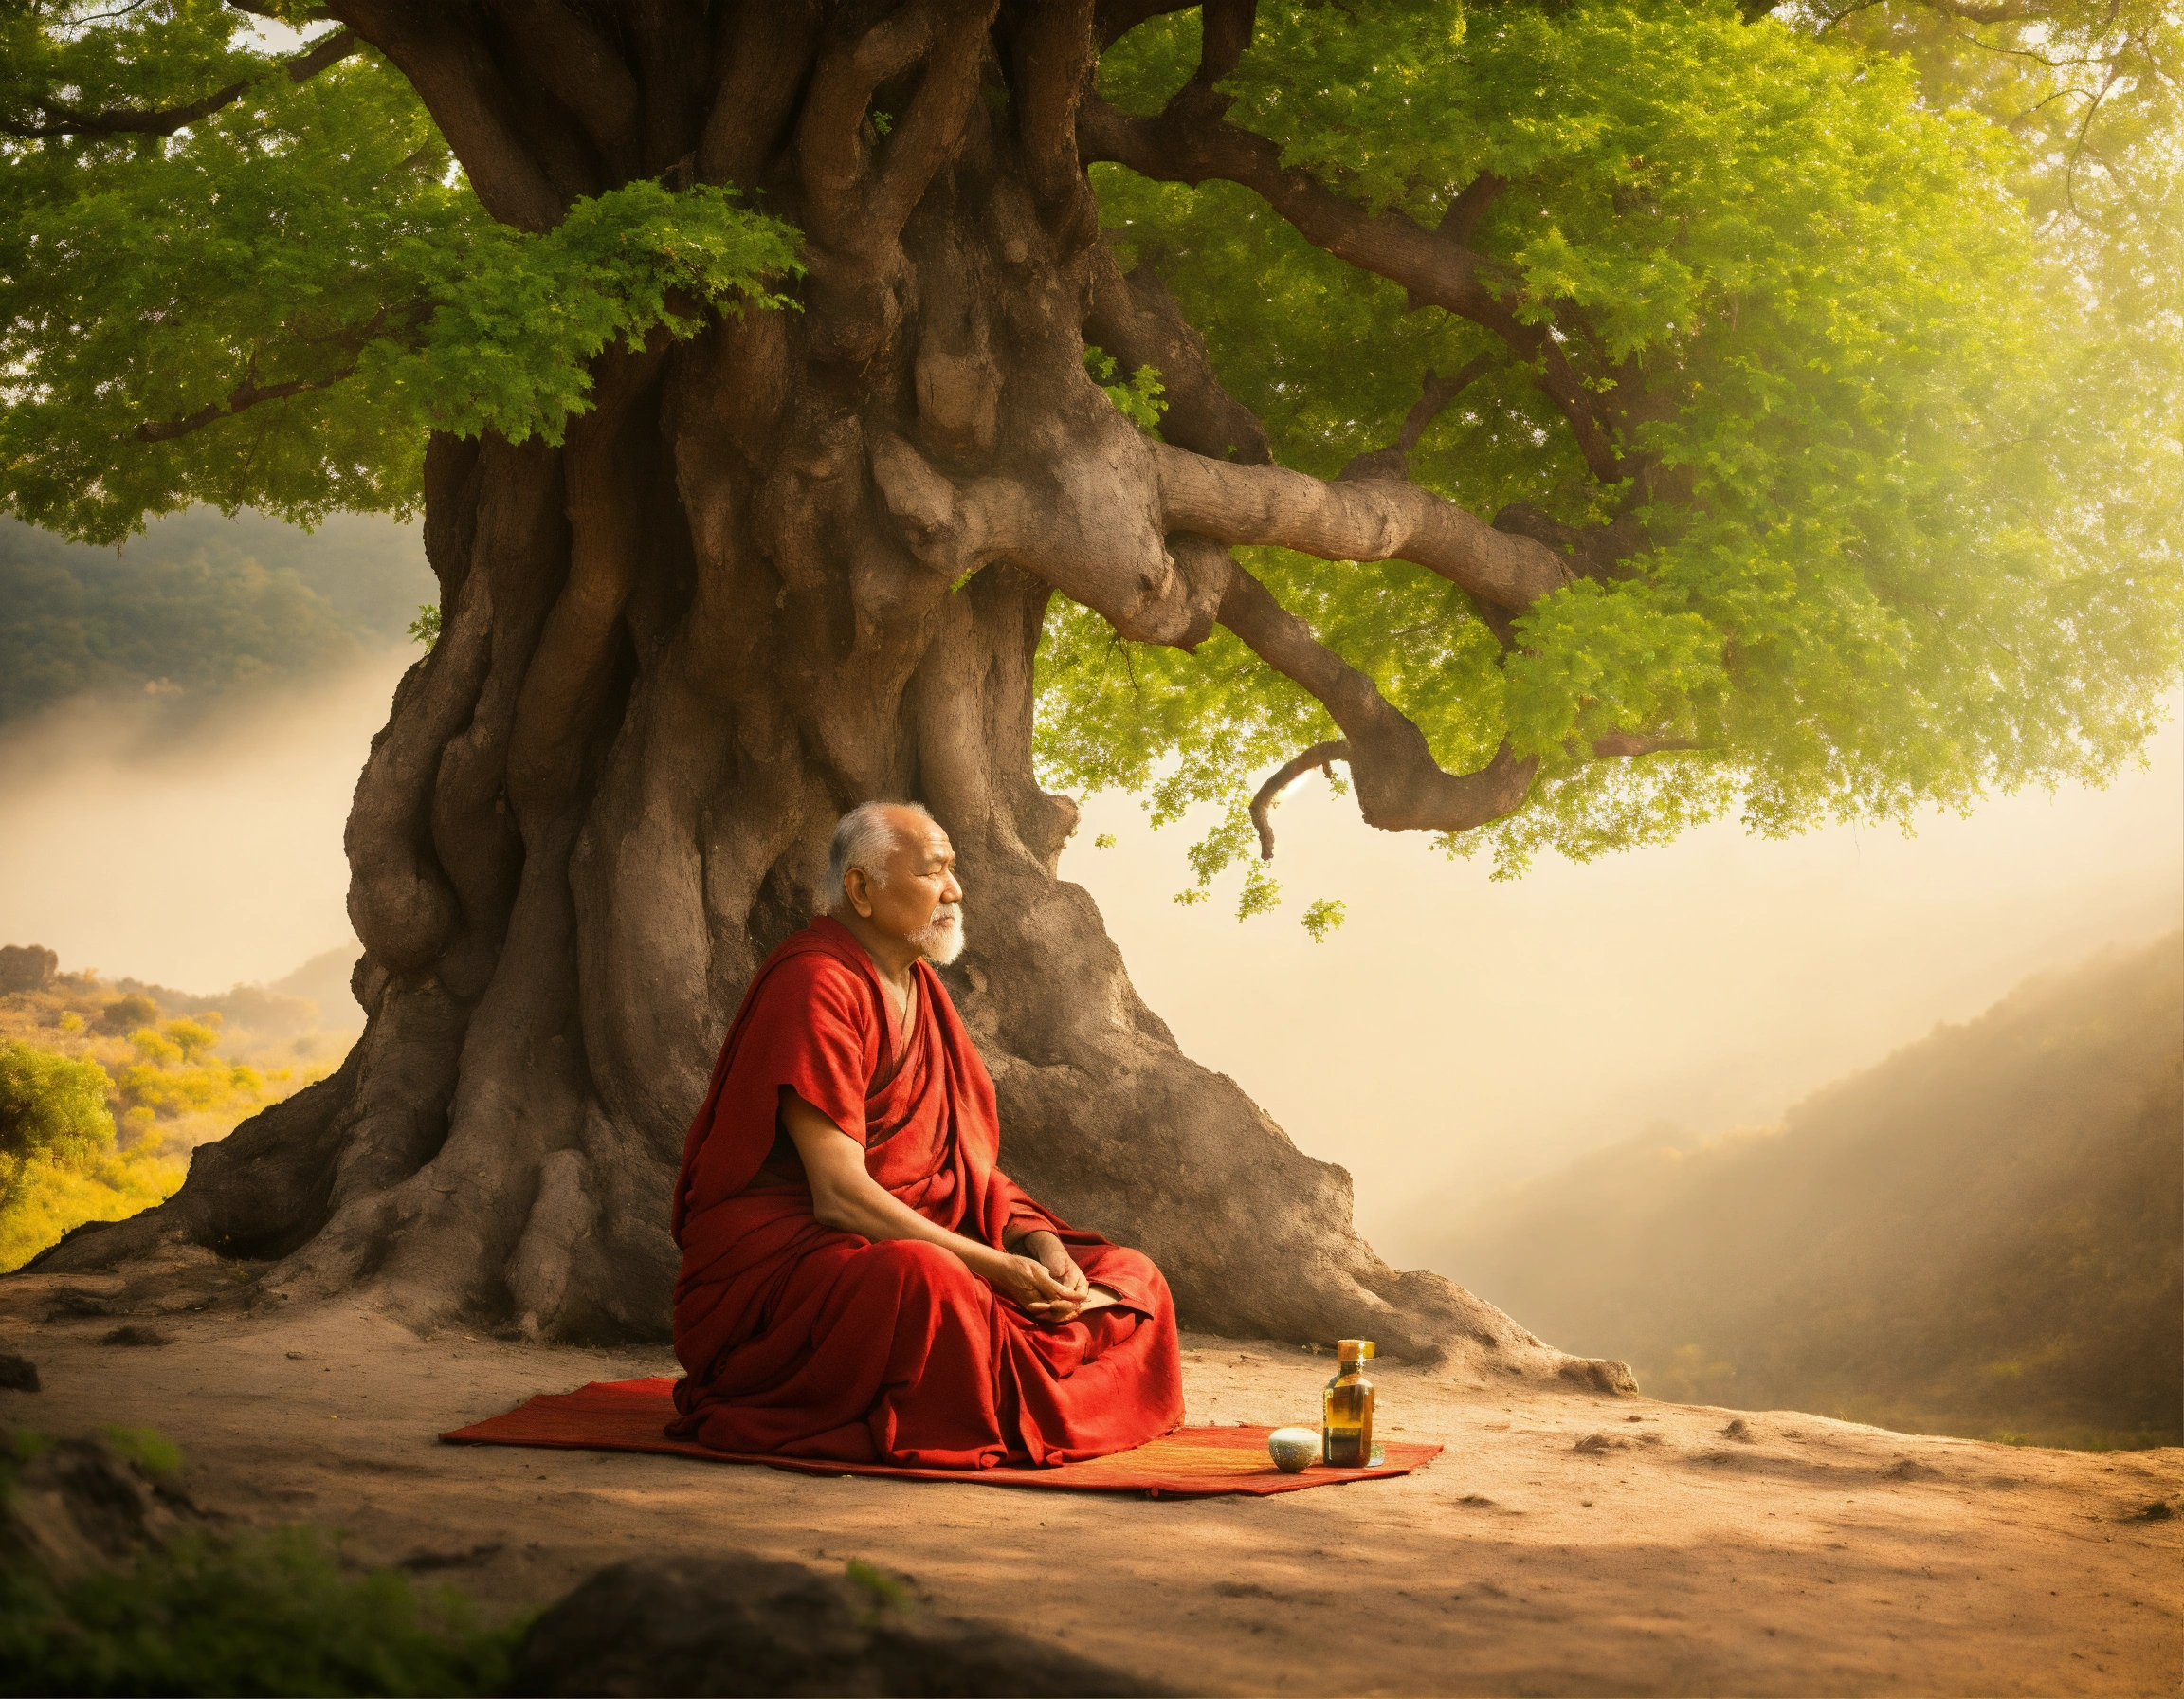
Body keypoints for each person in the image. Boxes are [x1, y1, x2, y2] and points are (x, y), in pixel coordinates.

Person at [667, 801, 1185, 1467]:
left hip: (923, 1238)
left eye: (953, 870)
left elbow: (960, 1164)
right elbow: (840, 1197)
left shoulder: (921, 988)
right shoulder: (815, 984)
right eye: (934, 871)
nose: (955, 890)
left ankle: (1002, 1375)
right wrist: (998, 1267)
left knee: (1131, 1274)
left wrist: (1038, 1243)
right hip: (804, 1263)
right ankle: (1018, 1386)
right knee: (929, 1281)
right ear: (861, 889)